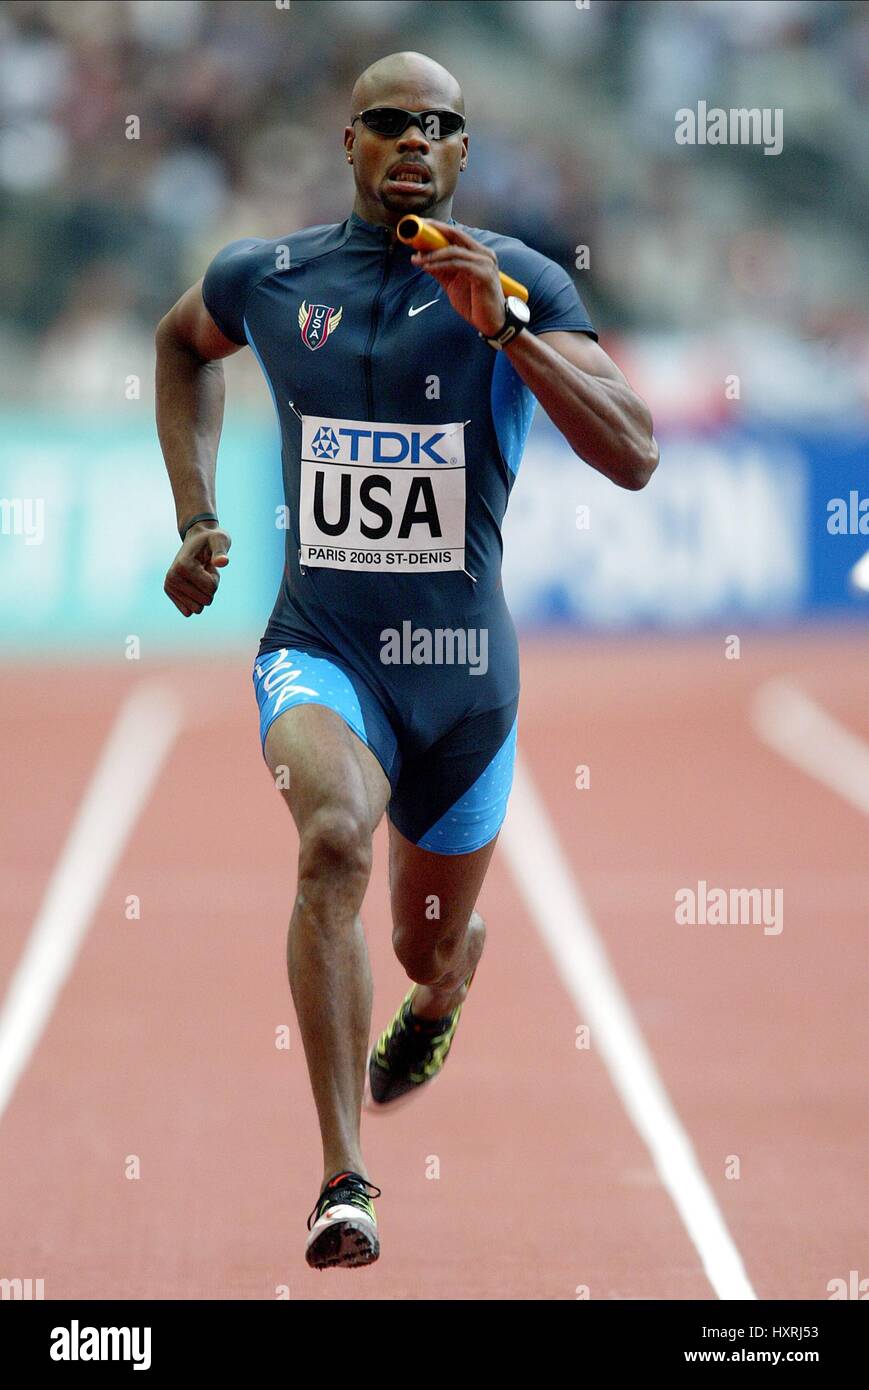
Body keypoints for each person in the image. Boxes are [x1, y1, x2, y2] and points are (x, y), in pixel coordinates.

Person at [155, 50, 658, 1272]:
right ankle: (344, 1180)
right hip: (319, 648)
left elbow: (636, 450)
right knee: (331, 834)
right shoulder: (269, 277)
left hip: (463, 682)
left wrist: (515, 332)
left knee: (424, 942)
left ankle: (441, 990)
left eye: (440, 125)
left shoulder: (520, 278)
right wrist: (193, 513)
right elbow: (179, 348)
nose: (414, 141)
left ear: (465, 151)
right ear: (349, 142)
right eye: (388, 122)